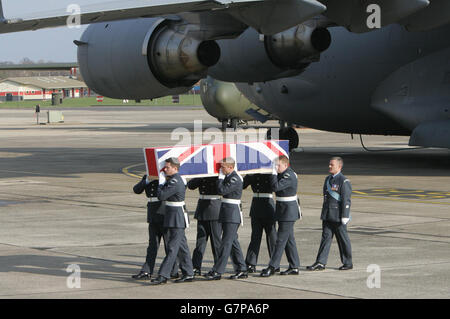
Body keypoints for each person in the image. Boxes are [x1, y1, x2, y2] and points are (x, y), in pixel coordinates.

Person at [151, 157, 194, 285]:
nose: (165, 169)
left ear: (175, 168)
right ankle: (188, 273)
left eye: (168, 167)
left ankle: (163, 275)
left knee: (172, 248)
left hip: (176, 218)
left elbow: (161, 196)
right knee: (181, 247)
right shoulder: (174, 180)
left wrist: (160, 183)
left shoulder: (175, 181)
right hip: (172, 216)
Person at [205, 157, 247, 280]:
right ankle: (241, 268)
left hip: (232, 214)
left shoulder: (234, 178)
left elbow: (221, 190)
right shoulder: (229, 177)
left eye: (223, 167)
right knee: (233, 242)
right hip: (226, 212)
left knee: (226, 243)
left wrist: (220, 178)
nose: (220, 169)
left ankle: (218, 271)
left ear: (230, 167)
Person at [307, 157, 353, 271]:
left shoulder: (344, 181)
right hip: (328, 214)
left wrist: (345, 215)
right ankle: (320, 262)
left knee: (342, 240)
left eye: (332, 165)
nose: (329, 166)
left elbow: (346, 199)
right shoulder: (327, 179)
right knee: (325, 239)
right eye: (329, 164)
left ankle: (348, 262)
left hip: (338, 216)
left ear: (339, 167)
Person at [130, 174, 179, 280]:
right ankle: (147, 270)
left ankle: (173, 270)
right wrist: (147, 180)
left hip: (164, 212)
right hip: (152, 213)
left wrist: (162, 180)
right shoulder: (148, 177)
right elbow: (136, 189)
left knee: (169, 244)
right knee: (152, 244)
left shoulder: (168, 178)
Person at [260, 155, 301, 277]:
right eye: (275, 165)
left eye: (278, 165)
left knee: (280, 239)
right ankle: (294, 266)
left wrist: (272, 173)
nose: (276, 167)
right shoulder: (283, 174)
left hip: (288, 211)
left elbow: (275, 187)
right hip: (283, 210)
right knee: (289, 239)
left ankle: (273, 266)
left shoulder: (288, 175)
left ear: (286, 165)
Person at [243, 174, 277, 273]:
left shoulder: (270, 173)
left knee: (272, 236)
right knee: (255, 236)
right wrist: (249, 174)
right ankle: (251, 263)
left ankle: (275, 262)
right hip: (256, 206)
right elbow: (243, 185)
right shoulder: (253, 173)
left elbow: (276, 187)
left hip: (268, 206)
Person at [187, 177, 222, 276]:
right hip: (202, 208)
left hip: (214, 208)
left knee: (216, 242)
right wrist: (201, 176)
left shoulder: (218, 176)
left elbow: (222, 190)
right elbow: (191, 186)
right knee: (200, 241)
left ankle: (218, 267)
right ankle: (196, 266)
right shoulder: (202, 175)